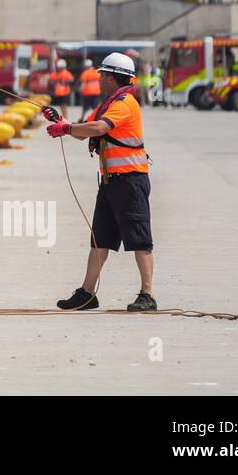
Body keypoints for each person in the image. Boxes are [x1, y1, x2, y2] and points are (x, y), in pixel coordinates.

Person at [46, 52, 157, 312]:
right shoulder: (108, 103)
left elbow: (98, 129)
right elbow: (83, 131)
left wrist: (68, 129)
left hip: (131, 181)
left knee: (140, 239)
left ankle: (147, 294)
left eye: (103, 76)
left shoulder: (125, 103)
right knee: (100, 239)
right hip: (110, 182)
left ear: (111, 77)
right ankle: (87, 293)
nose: (99, 80)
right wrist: (60, 122)